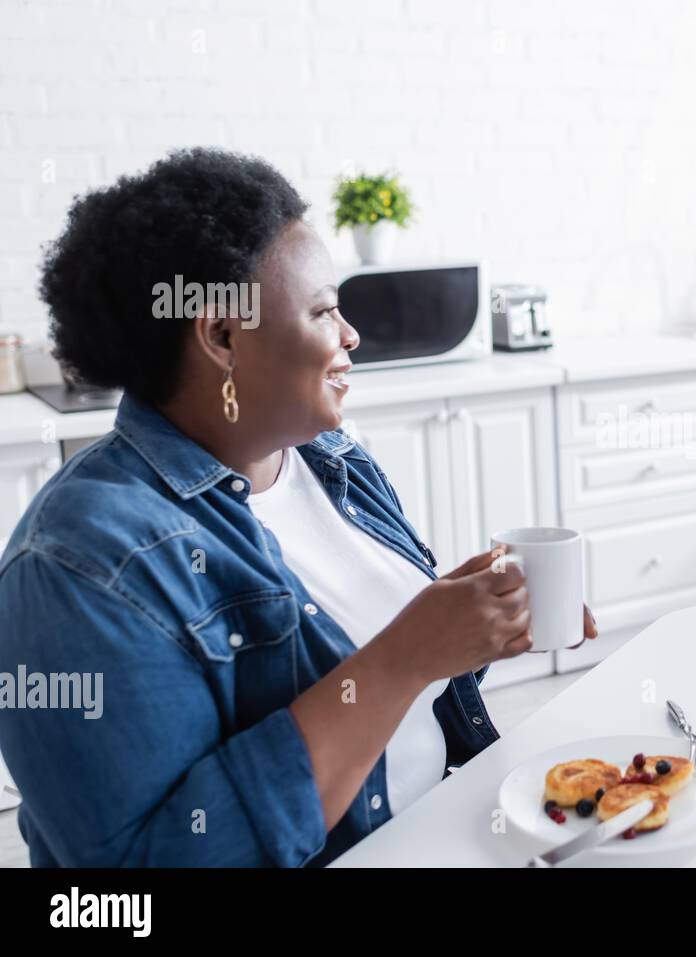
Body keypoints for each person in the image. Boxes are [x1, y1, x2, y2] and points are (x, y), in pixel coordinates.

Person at [0, 147, 595, 866]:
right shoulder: (78, 566)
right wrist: (406, 654)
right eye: (323, 310)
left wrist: (469, 624)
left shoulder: (330, 459)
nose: (352, 334)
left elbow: (385, 689)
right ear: (222, 335)